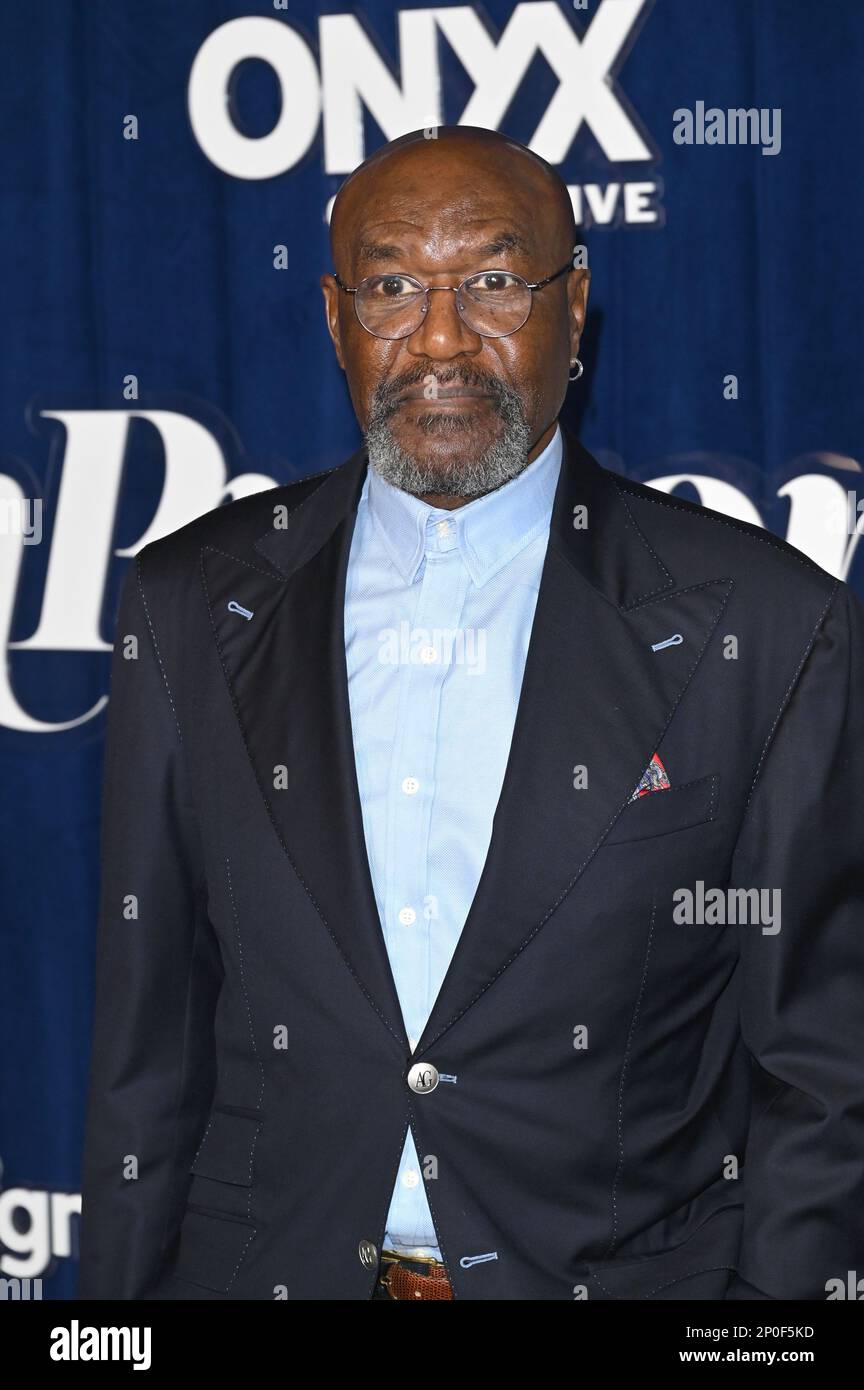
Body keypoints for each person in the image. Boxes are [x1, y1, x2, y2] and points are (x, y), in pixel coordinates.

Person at [78, 126, 864, 1301]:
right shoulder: (190, 600)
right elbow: (147, 1052)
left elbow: (823, 1070)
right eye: (393, 286)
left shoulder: (763, 619)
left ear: (576, 302)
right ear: (337, 317)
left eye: (494, 281)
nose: (441, 339)